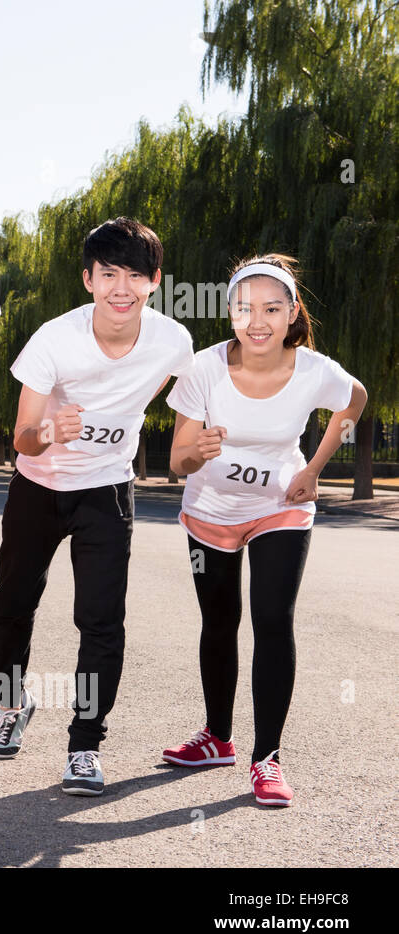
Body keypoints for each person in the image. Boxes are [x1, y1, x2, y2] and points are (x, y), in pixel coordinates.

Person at [0, 217, 193, 797]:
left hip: (106, 490)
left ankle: (84, 743)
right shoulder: (55, 338)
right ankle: (11, 703)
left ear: (154, 281)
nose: (120, 287)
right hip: (38, 487)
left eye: (134, 274)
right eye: (108, 274)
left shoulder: (173, 342)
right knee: (13, 604)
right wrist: (49, 431)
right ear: (88, 280)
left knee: (100, 621)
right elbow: (23, 435)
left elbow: (162, 390)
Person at [161, 254, 366, 807]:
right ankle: (217, 739)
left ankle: (266, 758)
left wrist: (314, 469)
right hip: (211, 509)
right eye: (245, 308)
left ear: (292, 312)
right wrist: (192, 453)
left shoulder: (314, 370)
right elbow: (179, 459)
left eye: (272, 308)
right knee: (219, 619)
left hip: (281, 506)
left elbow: (356, 399)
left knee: (273, 619)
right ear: (228, 311)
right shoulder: (203, 368)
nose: (258, 321)